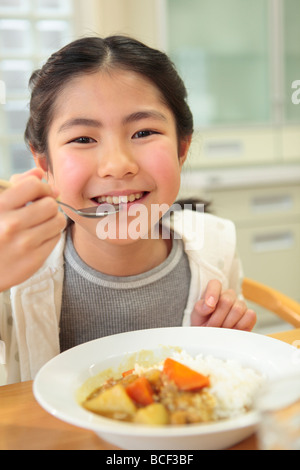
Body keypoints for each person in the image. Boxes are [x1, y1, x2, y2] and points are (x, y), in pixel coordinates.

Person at [0, 36, 256, 384]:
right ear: (44, 162)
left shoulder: (214, 245)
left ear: (182, 149)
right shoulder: (16, 270)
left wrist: (214, 352)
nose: (117, 166)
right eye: (83, 139)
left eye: (144, 132)